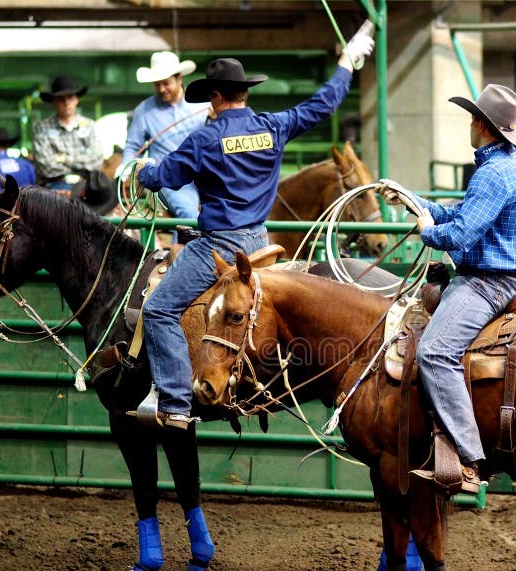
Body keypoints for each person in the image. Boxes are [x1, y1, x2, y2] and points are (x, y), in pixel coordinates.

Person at [134, 27, 375, 431]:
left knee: (157, 310)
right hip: (261, 246)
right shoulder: (273, 127)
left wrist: (144, 171)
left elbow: (166, 177)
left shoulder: (205, 139)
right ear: (244, 93)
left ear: (214, 96)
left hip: (220, 247)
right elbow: (324, 103)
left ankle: (175, 401)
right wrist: (346, 63)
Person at [378, 84, 516, 494]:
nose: (469, 123)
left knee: (434, 352)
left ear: (482, 124)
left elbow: (461, 232)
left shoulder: (494, 172)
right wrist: (412, 200)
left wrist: (428, 233)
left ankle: (471, 459)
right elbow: (461, 214)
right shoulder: (503, 164)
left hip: (489, 281)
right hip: (496, 275)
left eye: (472, 117)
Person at [122, 51, 210, 219]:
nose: (162, 89)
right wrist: (125, 167)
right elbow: (133, 145)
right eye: (157, 84)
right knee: (188, 213)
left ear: (179, 78)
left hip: (204, 175)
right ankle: (184, 245)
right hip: (168, 177)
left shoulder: (203, 105)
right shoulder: (144, 110)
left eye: (166, 83)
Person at [32, 75, 104, 191]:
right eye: (61, 98)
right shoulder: (42, 128)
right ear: (54, 102)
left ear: (76, 99)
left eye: (70, 97)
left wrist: (65, 159)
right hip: (53, 188)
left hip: (85, 186)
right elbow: (45, 166)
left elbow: (96, 160)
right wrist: (80, 168)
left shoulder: (89, 125)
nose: (66, 102)